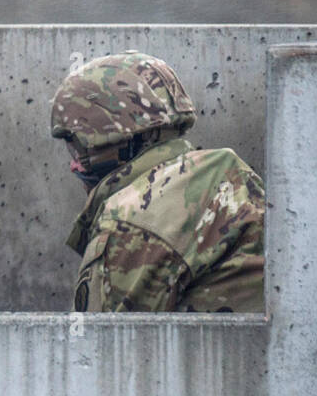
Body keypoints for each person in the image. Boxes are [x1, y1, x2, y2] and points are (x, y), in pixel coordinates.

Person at [49, 51, 264, 313]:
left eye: (77, 146)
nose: (73, 164)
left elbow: (105, 347)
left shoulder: (132, 219)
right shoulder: (231, 177)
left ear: (117, 141)